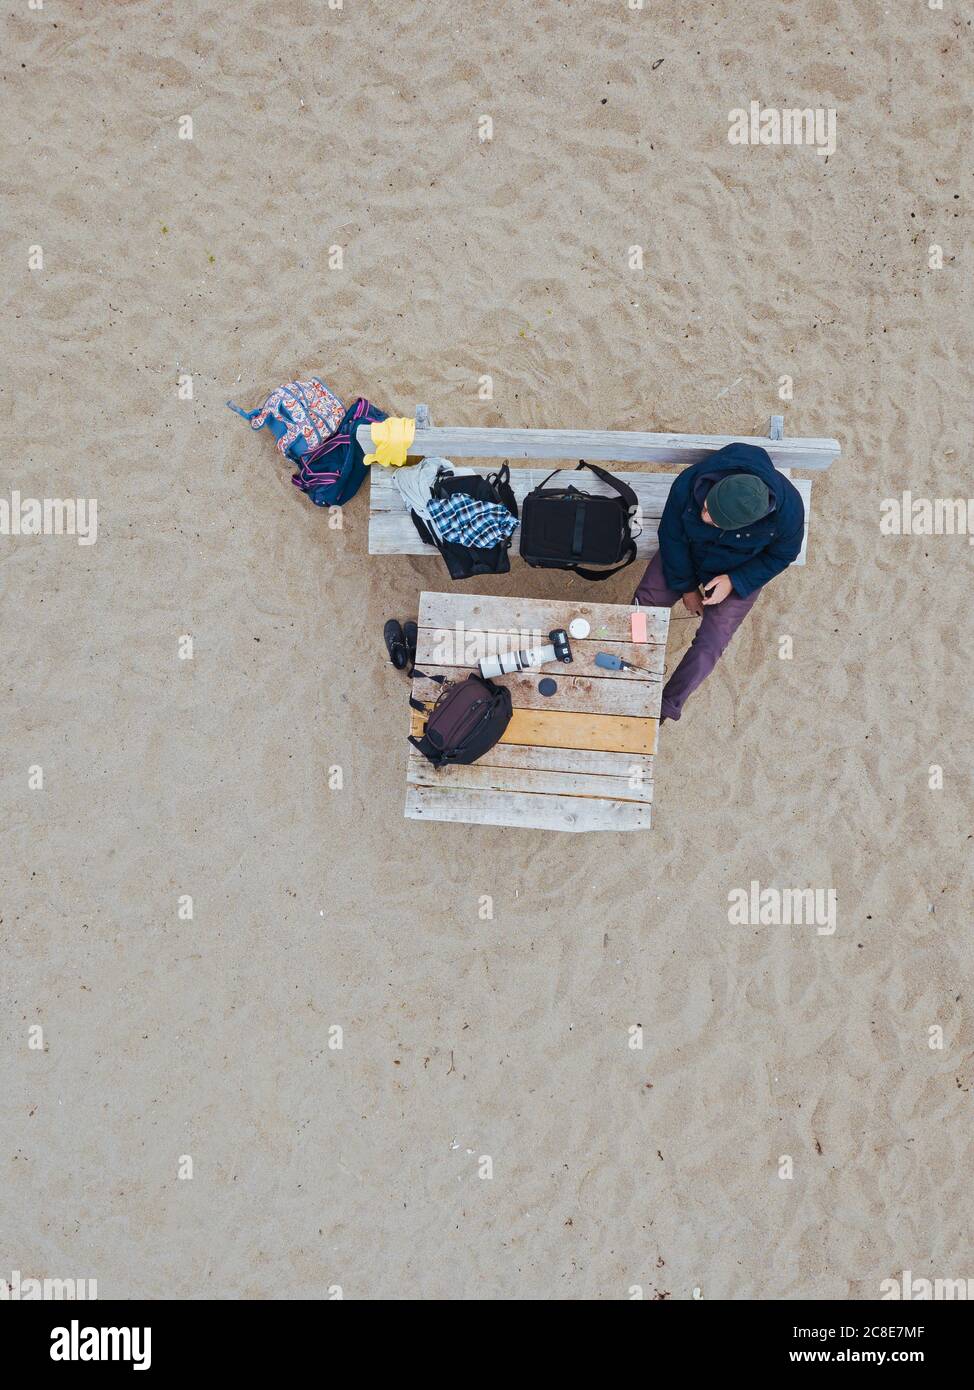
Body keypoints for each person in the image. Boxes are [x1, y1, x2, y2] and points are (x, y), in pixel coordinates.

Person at [634, 442, 805, 722]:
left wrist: (736, 581)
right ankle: (630, 668)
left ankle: (664, 706)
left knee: (712, 642)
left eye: (714, 520)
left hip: (738, 568)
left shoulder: (789, 514)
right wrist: (687, 587)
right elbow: (672, 536)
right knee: (642, 609)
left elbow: (782, 555)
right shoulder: (691, 480)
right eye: (705, 507)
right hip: (686, 552)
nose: (703, 516)